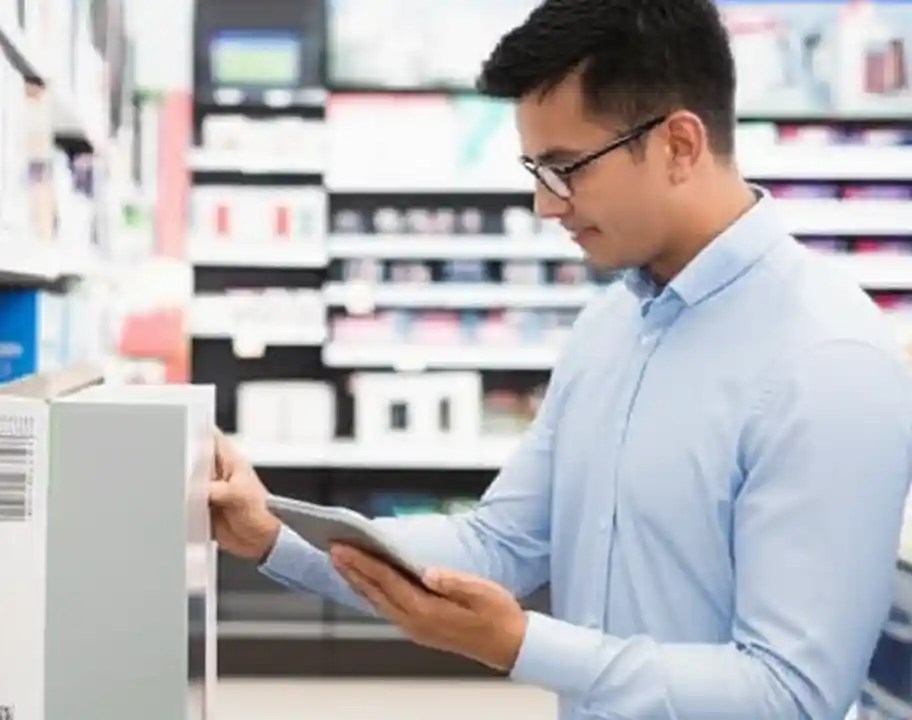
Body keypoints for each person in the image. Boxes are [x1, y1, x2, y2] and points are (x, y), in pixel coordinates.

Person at [208, 0, 912, 717]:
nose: (547, 206)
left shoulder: (828, 359)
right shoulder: (611, 327)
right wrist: (274, 535)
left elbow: (791, 694)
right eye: (537, 170)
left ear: (678, 145)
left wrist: (521, 645)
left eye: (566, 168)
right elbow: (498, 542)